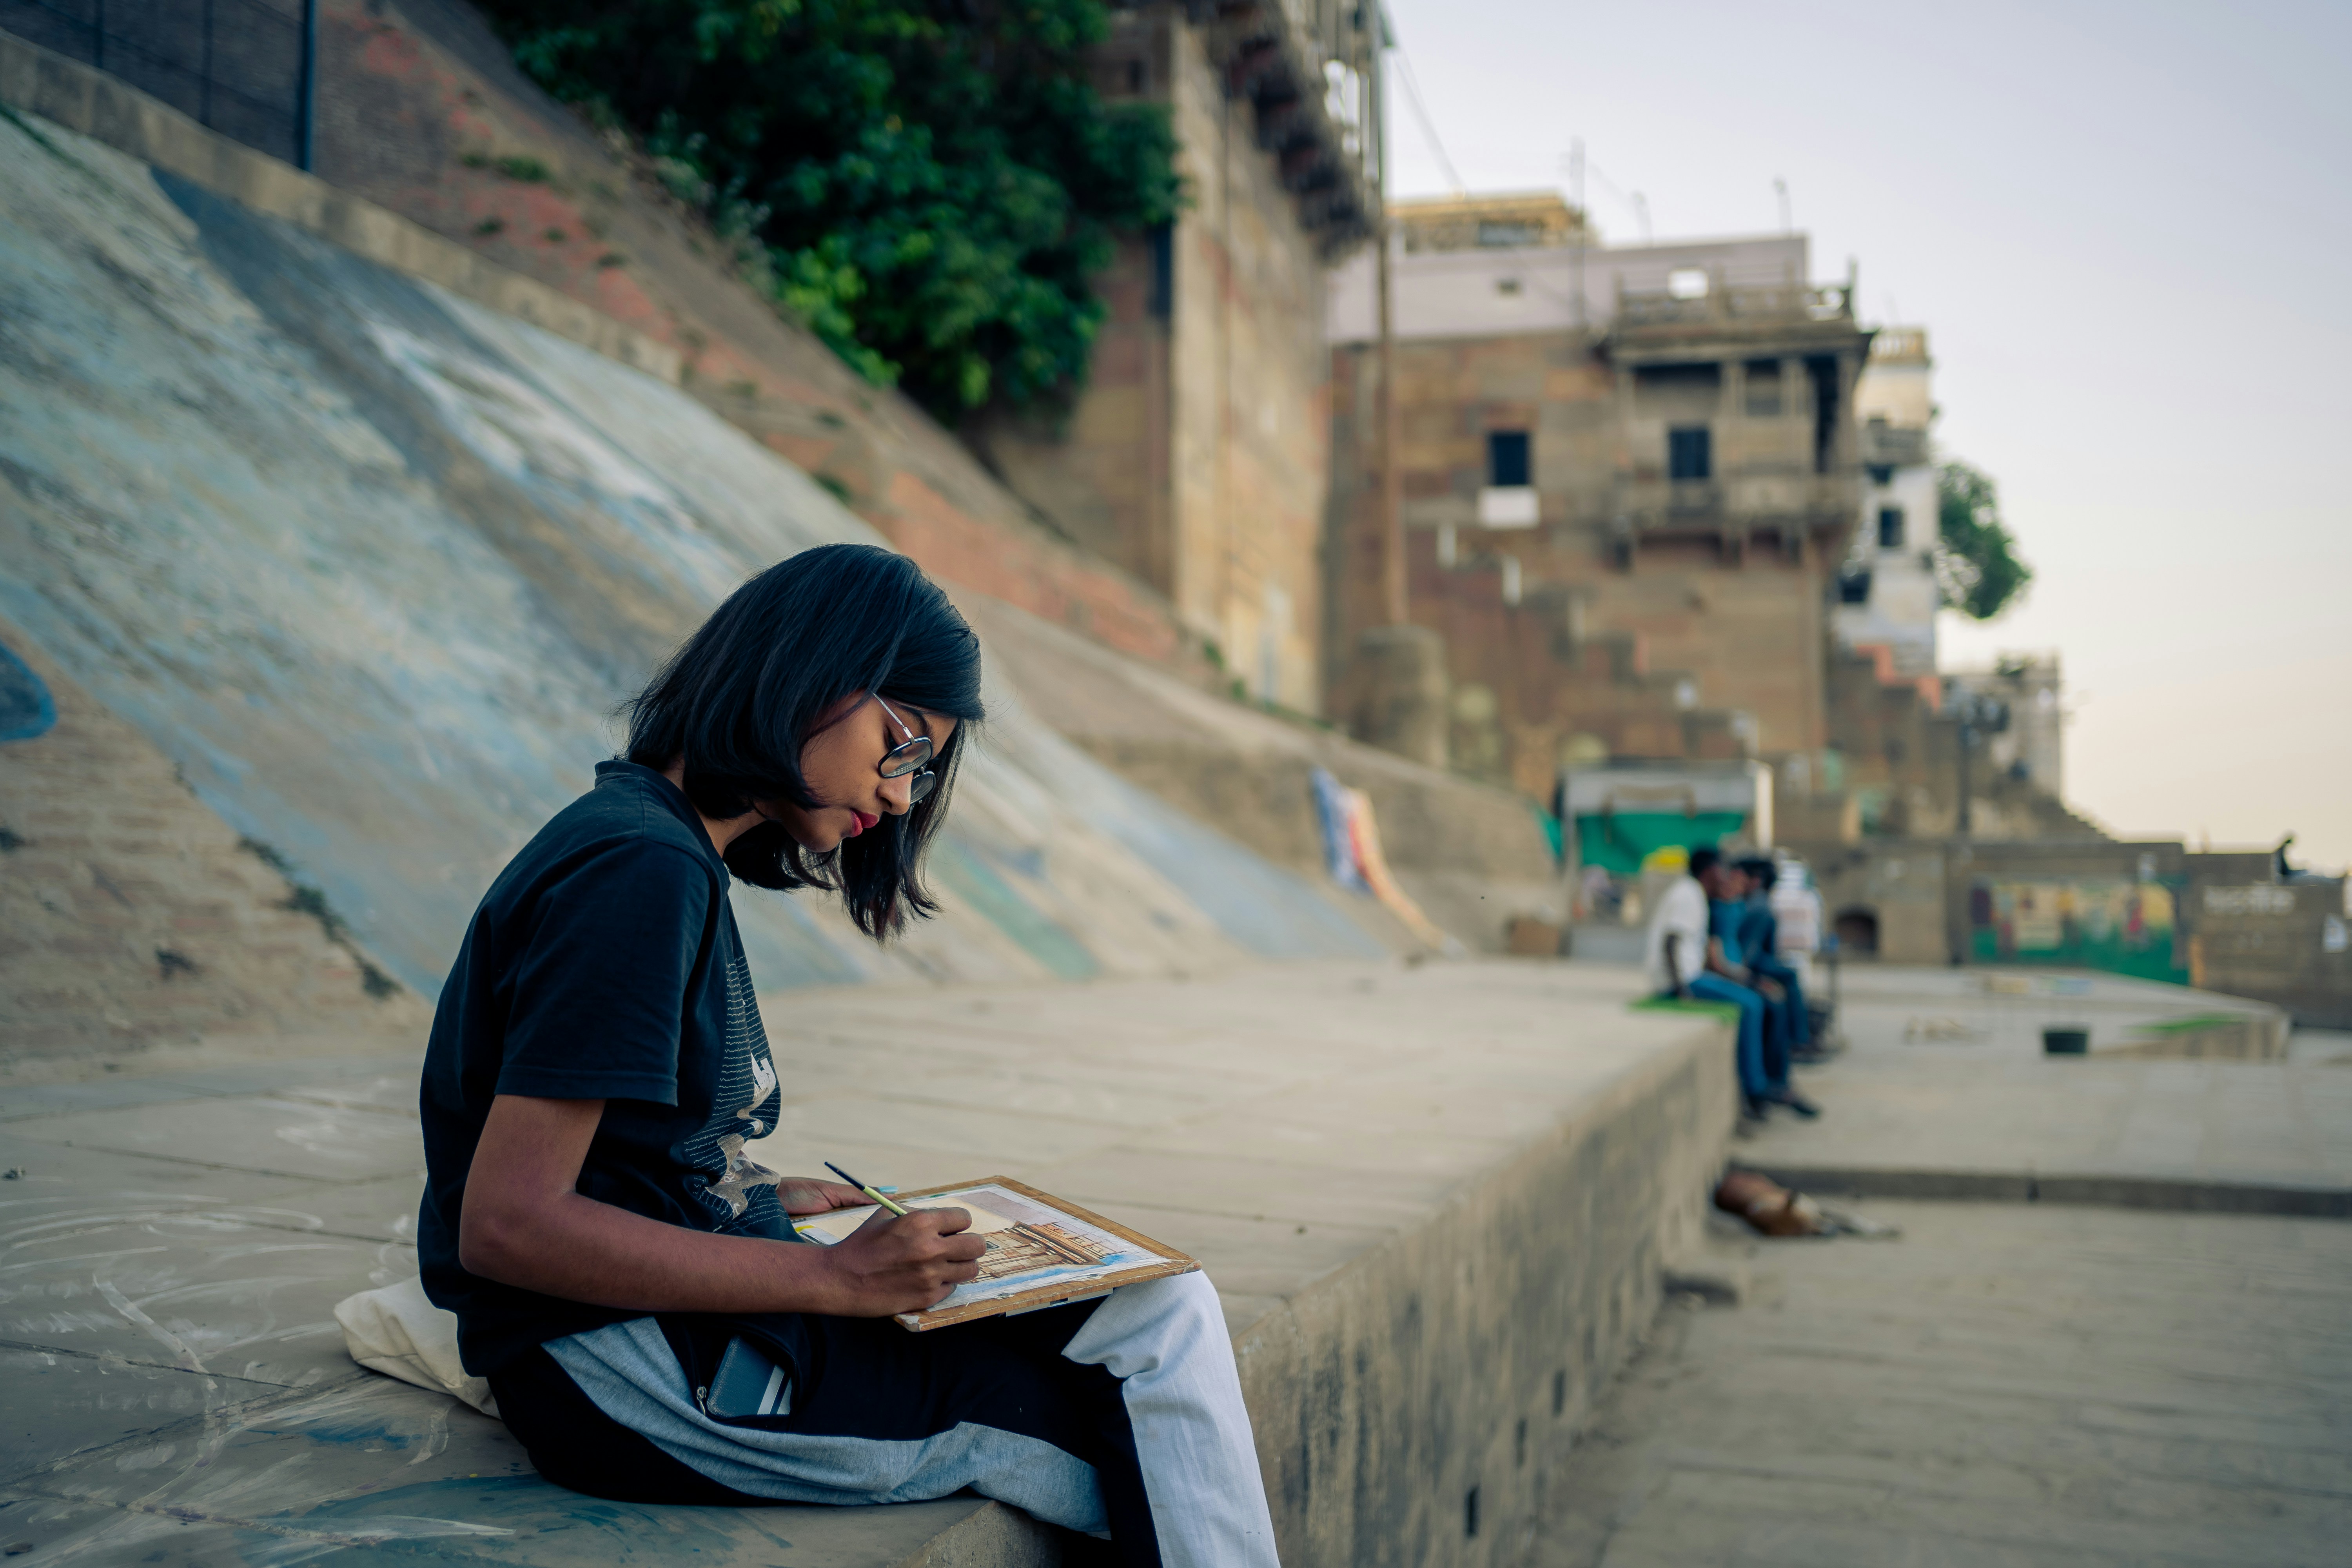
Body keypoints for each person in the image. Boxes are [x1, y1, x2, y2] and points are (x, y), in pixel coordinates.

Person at [417, 544, 1278, 1566]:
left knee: (1156, 1305)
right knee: (1129, 1431)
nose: (905, 795)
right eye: (903, 745)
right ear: (811, 673)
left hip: (647, 1334)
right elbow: (509, 1227)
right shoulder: (640, 873)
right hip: (631, 1376)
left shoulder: (657, 848)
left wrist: (735, 1186)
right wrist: (840, 1286)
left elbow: (600, 1144)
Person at [1644, 846, 1817, 1121]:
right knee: (1751, 1004)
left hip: (1691, 976)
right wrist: (1681, 989)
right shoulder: (1690, 895)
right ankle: (1757, 1088)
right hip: (1685, 980)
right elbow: (1672, 941)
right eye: (1722, 870)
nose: (1726, 877)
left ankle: (1771, 1081)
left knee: (1760, 1001)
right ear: (1711, 871)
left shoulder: (1695, 893)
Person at [1736, 857, 1825, 1065]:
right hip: (1752, 965)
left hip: (1754, 962)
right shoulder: (1760, 907)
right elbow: (1749, 953)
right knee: (1789, 978)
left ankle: (1799, 1037)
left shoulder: (1758, 903)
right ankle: (1799, 1038)